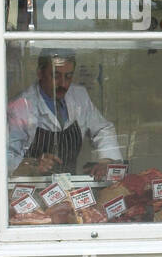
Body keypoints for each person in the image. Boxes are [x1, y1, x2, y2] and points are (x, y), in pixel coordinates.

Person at [7, 50, 124, 180]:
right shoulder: (22, 106)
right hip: (33, 187)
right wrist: (32, 165)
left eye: (68, 76)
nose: (63, 84)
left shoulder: (79, 96)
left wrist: (107, 159)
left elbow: (102, 129)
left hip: (71, 186)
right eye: (55, 76)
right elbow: (8, 155)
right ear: (40, 73)